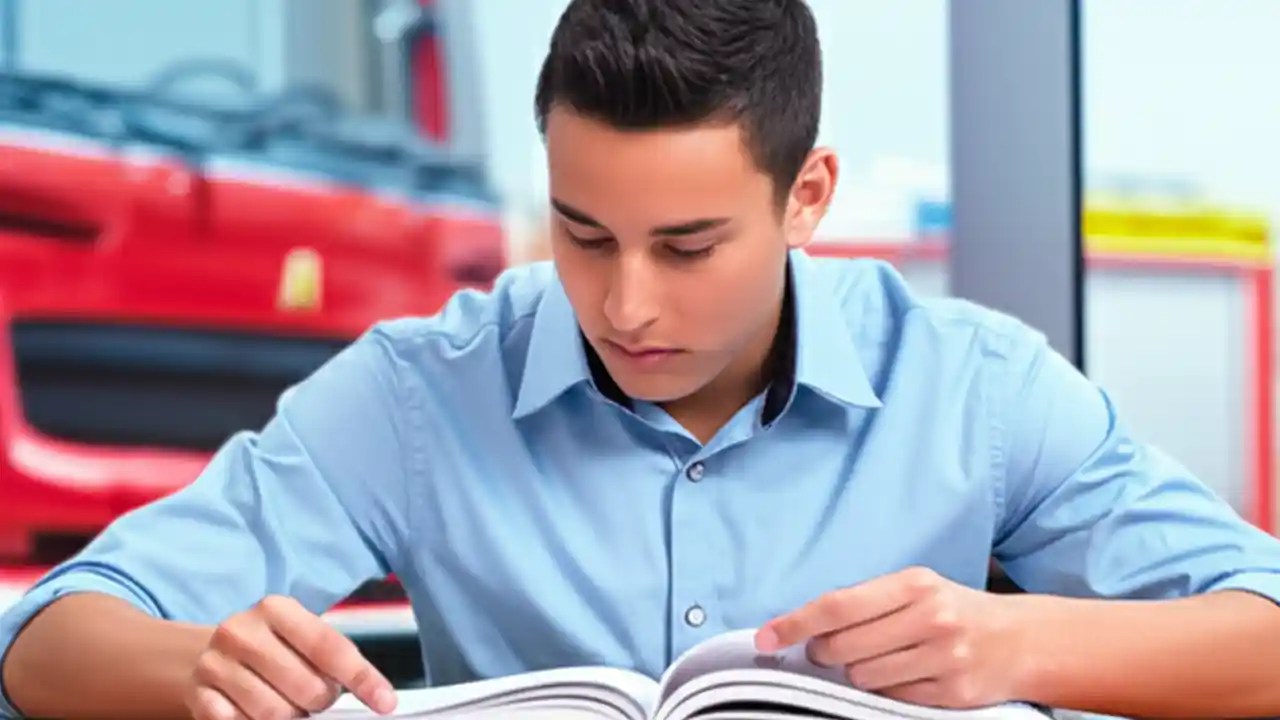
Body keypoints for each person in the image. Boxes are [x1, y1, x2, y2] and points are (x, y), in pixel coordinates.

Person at [4, 0, 1280, 717]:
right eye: (580, 231)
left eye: (687, 245)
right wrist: (202, 672)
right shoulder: (416, 393)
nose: (623, 303)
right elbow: (47, 641)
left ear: (806, 196)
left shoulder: (977, 391)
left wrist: (1021, 648)